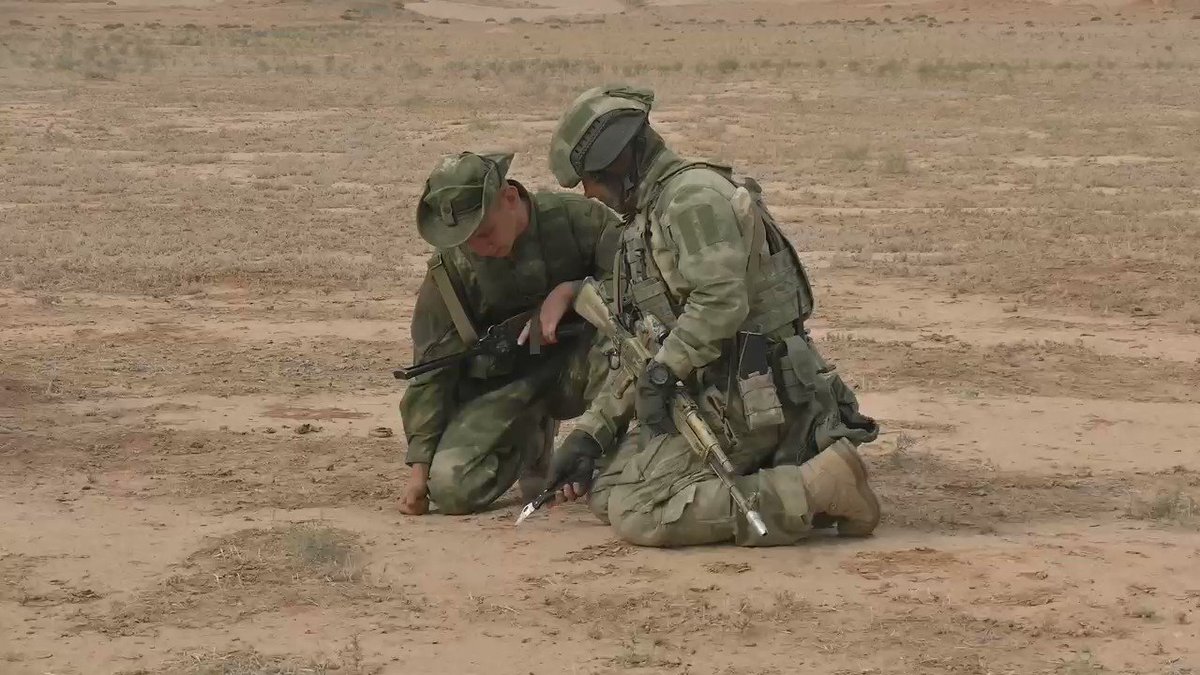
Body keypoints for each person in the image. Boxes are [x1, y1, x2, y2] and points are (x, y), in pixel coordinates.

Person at [541, 85, 883, 547]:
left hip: (762, 391)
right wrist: (590, 434)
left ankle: (820, 486)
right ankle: (785, 475)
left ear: (619, 164)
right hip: (718, 387)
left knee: (639, 512)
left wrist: (665, 372)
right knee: (607, 489)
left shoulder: (692, 199)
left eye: (590, 179)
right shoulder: (649, 214)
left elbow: (721, 302)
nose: (589, 193)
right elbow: (640, 347)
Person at [398, 150, 621, 516]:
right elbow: (431, 367)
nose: (479, 248)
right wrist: (419, 469)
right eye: (467, 240)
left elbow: (640, 288)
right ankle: (531, 442)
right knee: (452, 488)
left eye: (484, 232)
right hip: (511, 384)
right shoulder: (451, 270)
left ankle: (619, 456)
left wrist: (572, 292)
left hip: (587, 363)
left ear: (510, 198)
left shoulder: (579, 221)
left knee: (626, 352)